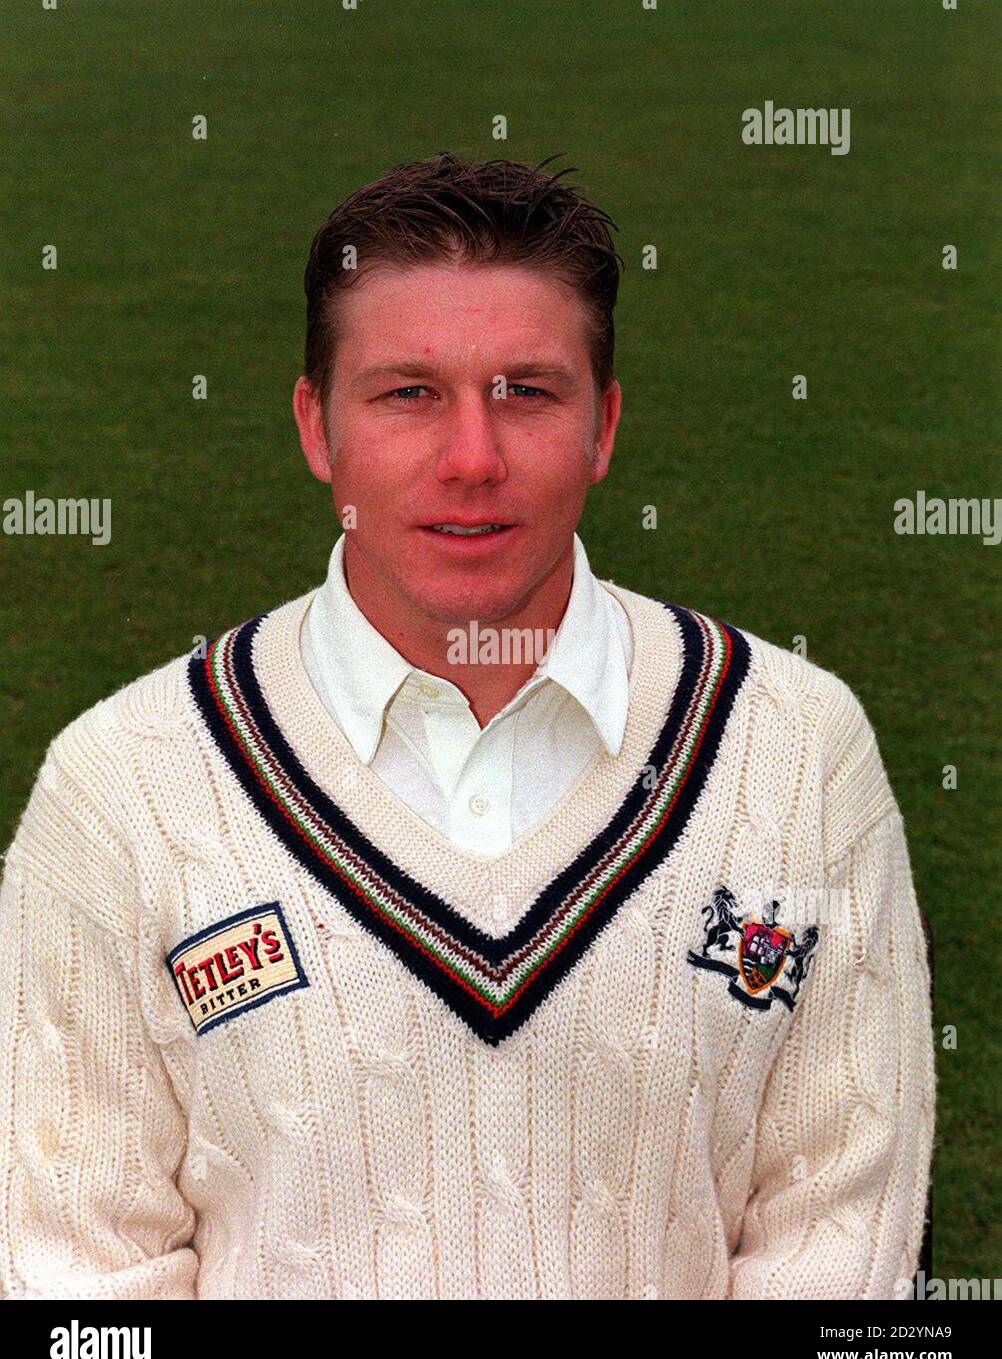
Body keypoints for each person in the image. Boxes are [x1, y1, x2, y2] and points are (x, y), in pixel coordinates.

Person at [0, 153, 935, 1300]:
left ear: (604, 427)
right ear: (315, 426)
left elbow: (843, 1247)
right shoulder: (121, 783)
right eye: (408, 393)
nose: (473, 460)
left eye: (527, 392)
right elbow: (74, 1281)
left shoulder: (795, 751)